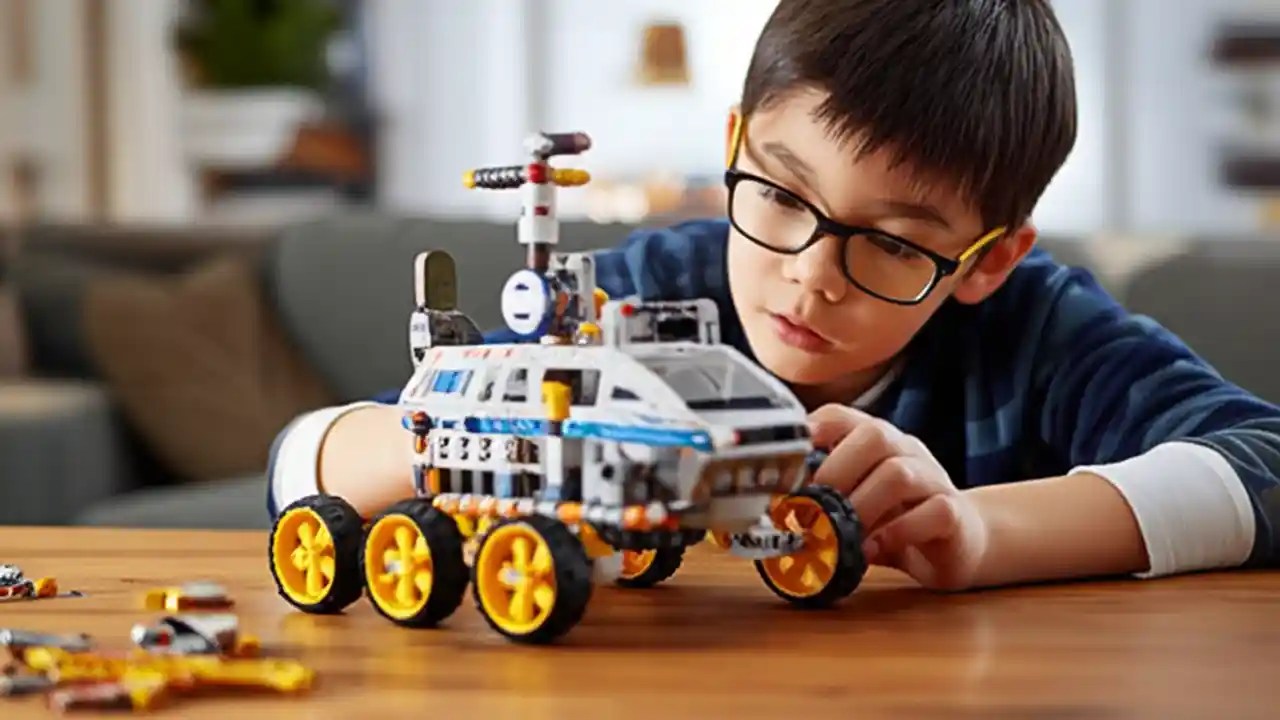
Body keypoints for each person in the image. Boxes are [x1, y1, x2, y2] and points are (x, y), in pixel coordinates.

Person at [267, 0, 1280, 591]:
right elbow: (303, 465)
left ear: (984, 260)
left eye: (887, 242)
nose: (808, 270)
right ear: (732, 151)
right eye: (782, 194)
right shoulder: (645, 293)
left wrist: (979, 532)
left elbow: (1263, 467)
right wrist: (469, 432)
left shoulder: (1042, 333)